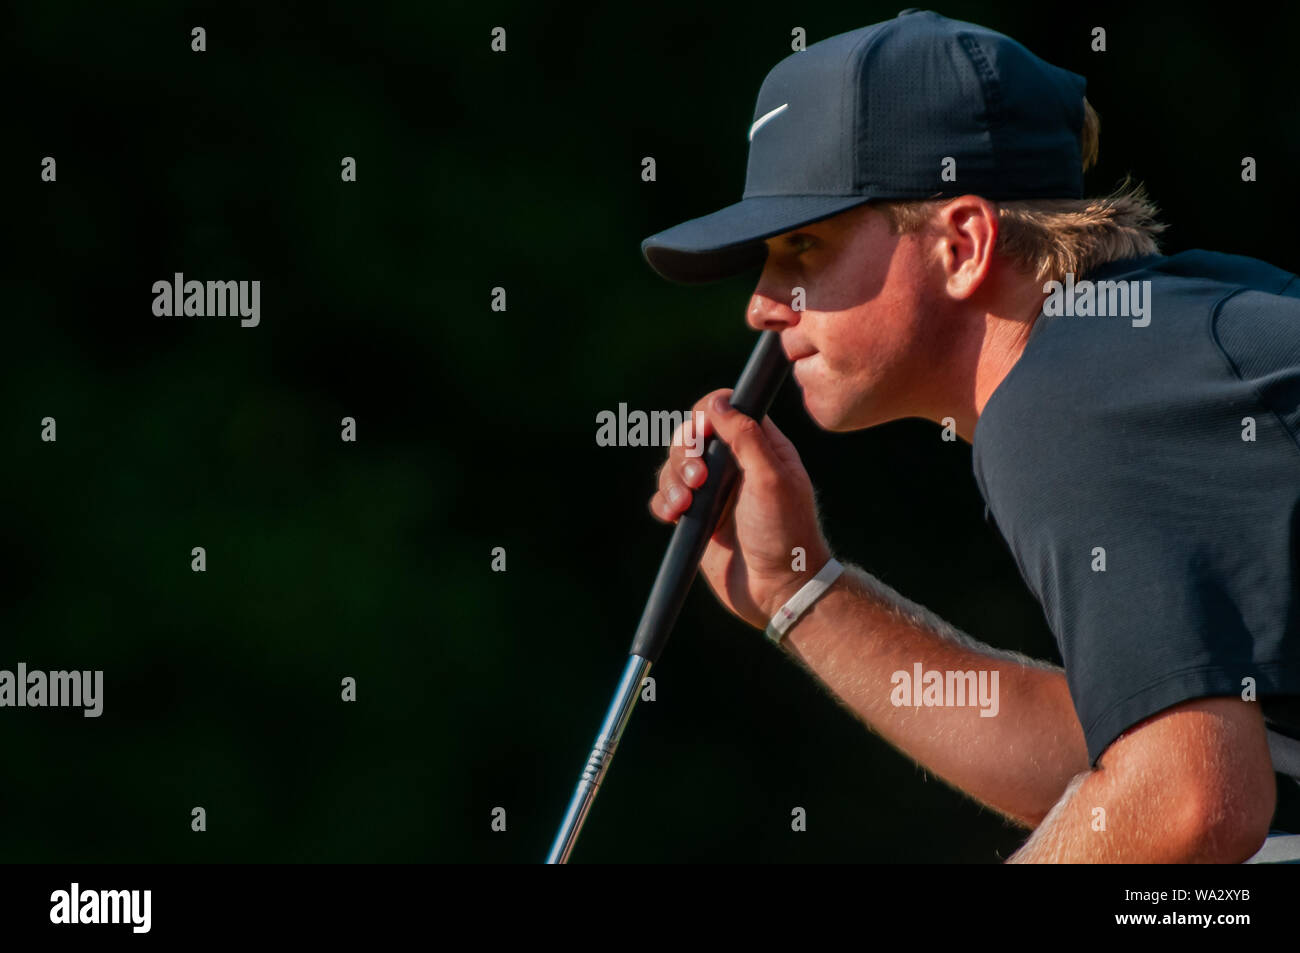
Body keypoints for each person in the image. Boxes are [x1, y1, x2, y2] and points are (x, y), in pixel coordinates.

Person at [639, 10, 1300, 862]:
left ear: (963, 243)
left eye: (804, 247)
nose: (761, 305)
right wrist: (795, 589)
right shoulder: (1127, 353)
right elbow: (1138, 755)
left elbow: (1188, 800)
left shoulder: (1070, 399)